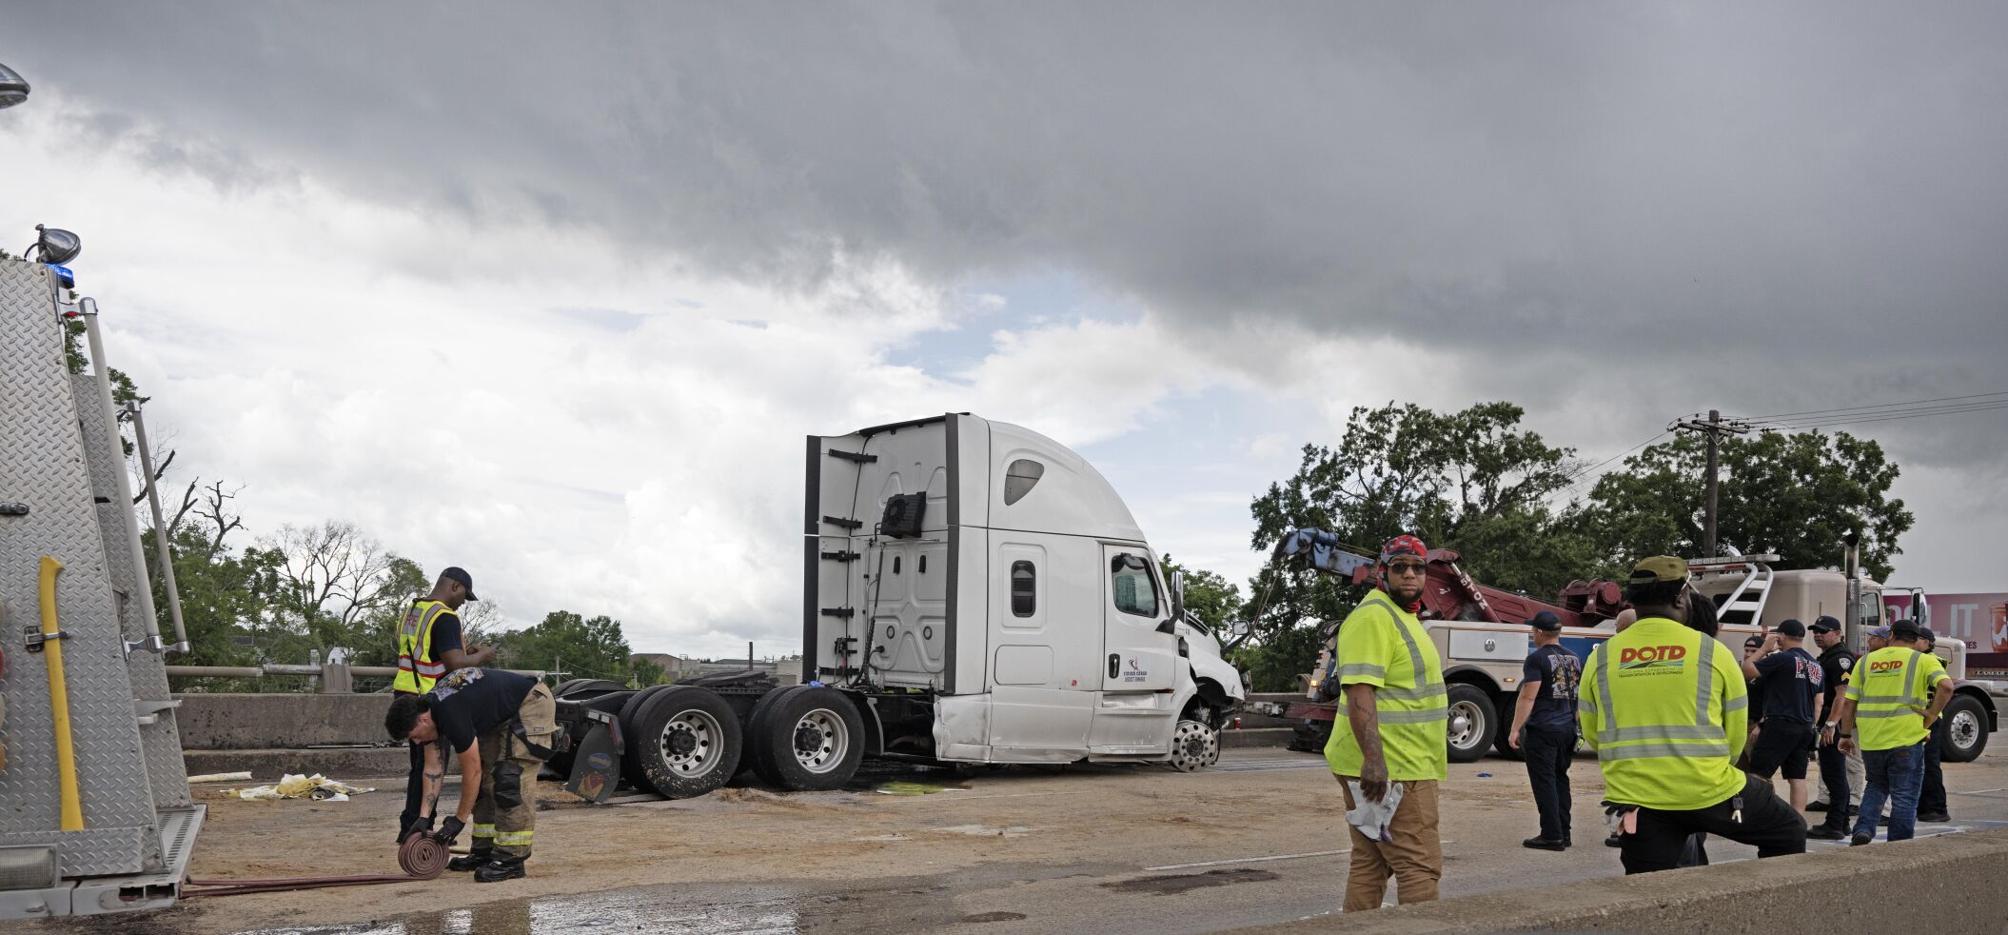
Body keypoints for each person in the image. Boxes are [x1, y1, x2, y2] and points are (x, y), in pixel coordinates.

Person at [1578, 556, 1806, 874]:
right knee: (1788, 829)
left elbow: (1591, 732)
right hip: (1709, 790)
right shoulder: (1711, 651)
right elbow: (1735, 733)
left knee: (1647, 890)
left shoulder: (1600, 657)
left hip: (1638, 797)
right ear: (1679, 596)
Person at [1324, 534, 1448, 911]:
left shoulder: (1400, 616)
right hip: (1394, 769)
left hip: (1395, 763)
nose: (1409, 575)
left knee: (1371, 862)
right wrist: (1374, 761)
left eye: (1417, 568)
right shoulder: (1374, 617)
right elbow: (1360, 692)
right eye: (1399, 568)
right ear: (1382, 572)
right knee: (1419, 866)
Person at [386, 666, 559, 882]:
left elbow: (472, 771)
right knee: (487, 783)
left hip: (530, 703)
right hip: (500, 714)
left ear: (422, 720)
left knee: (509, 781)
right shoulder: (430, 714)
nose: (416, 742)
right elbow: (432, 770)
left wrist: (458, 820)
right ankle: (483, 852)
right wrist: (423, 817)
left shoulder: (450, 713)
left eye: (413, 736)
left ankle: (512, 860)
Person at [393, 567, 496, 842]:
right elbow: (454, 665)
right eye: (465, 595)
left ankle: (410, 827)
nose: (463, 602)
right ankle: (419, 830)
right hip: (430, 702)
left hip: (404, 694)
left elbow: (428, 654)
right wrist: (483, 656)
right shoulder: (445, 617)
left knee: (419, 769)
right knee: (432, 768)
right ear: (454, 586)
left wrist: (464, 652)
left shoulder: (414, 611)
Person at [1836, 621, 1954, 845]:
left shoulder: (1866, 661)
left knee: (1875, 785)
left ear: (1891, 635)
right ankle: (1898, 845)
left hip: (1872, 740)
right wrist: (1931, 715)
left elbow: (1849, 702)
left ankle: (1863, 830)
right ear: (1917, 639)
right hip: (1906, 739)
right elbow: (1947, 687)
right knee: (1904, 795)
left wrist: (1845, 735)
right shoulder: (1923, 659)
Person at [1508, 610, 1580, 851]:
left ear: (1539, 632)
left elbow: (1529, 697)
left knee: (1544, 782)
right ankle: (1564, 832)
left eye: (1532, 631)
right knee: (1560, 779)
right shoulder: (1573, 658)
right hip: (1567, 728)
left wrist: (1515, 729)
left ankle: (1551, 835)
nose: (1531, 635)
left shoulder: (1537, 659)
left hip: (1544, 729)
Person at [1740, 620, 1823, 811]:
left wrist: (1763, 650)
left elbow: (1747, 671)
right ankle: (1798, 821)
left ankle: (1763, 815)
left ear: (1782, 636)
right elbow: (1819, 702)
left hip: (1779, 723)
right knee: (1797, 778)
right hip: (1805, 726)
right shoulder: (1815, 665)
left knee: (1759, 773)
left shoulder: (1782, 659)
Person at [1808, 616, 1861, 840]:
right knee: (1832, 773)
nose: (1818, 634)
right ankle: (1842, 823)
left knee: (1835, 774)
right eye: (1815, 631)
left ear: (1838, 633)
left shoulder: (1840, 659)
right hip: (1830, 721)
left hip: (1833, 723)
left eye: (1823, 631)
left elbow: (1843, 692)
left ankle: (1835, 825)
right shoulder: (1828, 656)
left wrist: (1831, 723)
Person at [1913, 625, 1951, 823]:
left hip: (1930, 719)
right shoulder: (1921, 659)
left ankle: (1936, 808)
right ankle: (1925, 806)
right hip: (1926, 717)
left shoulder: (1929, 660)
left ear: (1927, 642)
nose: (1913, 642)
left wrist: (1930, 714)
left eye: (1916, 638)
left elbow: (1944, 688)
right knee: (1922, 764)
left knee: (1929, 764)